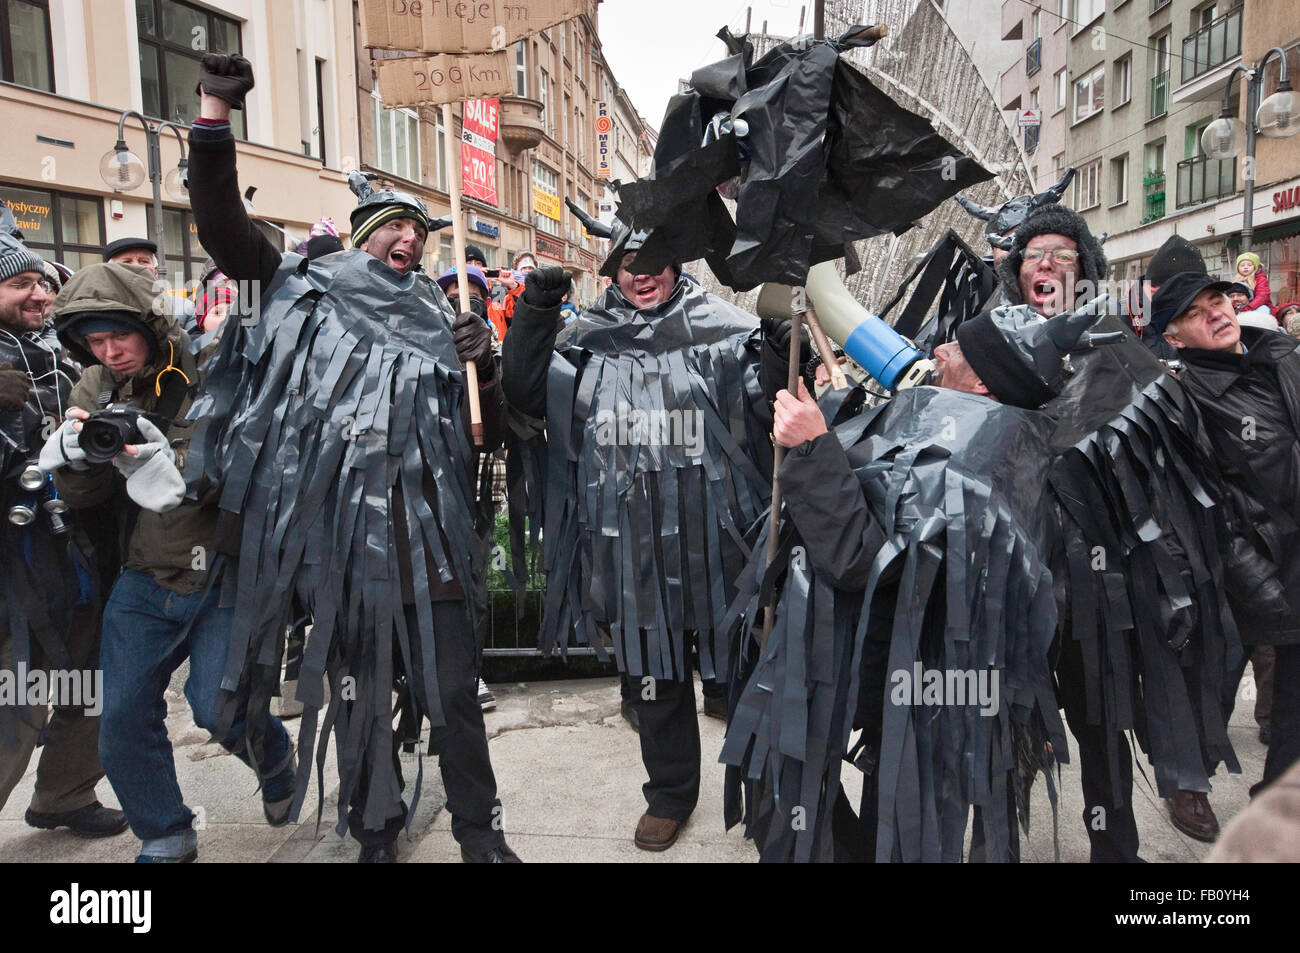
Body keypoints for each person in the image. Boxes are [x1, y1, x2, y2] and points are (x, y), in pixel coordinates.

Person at [184, 52, 516, 863]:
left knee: (453, 705)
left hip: (430, 552)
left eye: (420, 228)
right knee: (362, 702)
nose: (410, 235)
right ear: (363, 239)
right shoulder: (307, 288)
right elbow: (227, 230)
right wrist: (214, 118)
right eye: (393, 225)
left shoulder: (447, 320)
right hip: (339, 556)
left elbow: (489, 436)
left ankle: (481, 833)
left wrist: (491, 368)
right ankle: (375, 827)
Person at [502, 222, 779, 852]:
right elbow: (523, 398)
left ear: (679, 262)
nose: (642, 271)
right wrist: (535, 314)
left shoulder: (729, 329)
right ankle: (671, 795)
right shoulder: (584, 342)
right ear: (611, 271)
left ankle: (768, 797)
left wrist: (785, 346)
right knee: (653, 677)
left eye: (655, 258)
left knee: (746, 668)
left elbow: (773, 406)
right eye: (628, 261)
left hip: (722, 540)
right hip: (632, 545)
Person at [38, 261, 295, 862]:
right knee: (121, 718)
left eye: (117, 336)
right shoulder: (93, 388)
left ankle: (274, 755)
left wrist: (170, 462)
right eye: (94, 342)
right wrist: (78, 459)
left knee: (218, 706)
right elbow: (83, 500)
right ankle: (165, 832)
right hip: (143, 572)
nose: (109, 351)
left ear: (147, 325)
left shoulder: (211, 368)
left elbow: (253, 466)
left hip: (223, 570)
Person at [0, 223, 127, 840]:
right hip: (10, 568)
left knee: (91, 679)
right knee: (14, 693)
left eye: (41, 284)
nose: (38, 296)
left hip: (76, 547)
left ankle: (65, 795)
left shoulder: (62, 352)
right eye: (19, 284)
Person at [1154, 270, 1300, 798]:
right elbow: (1202, 500)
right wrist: (1253, 579)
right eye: (1194, 312)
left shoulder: (1283, 354)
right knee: (1212, 685)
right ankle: (1189, 787)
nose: (1215, 313)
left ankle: (1278, 802)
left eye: (1217, 300)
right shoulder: (1181, 398)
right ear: (1173, 337)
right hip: (1246, 571)